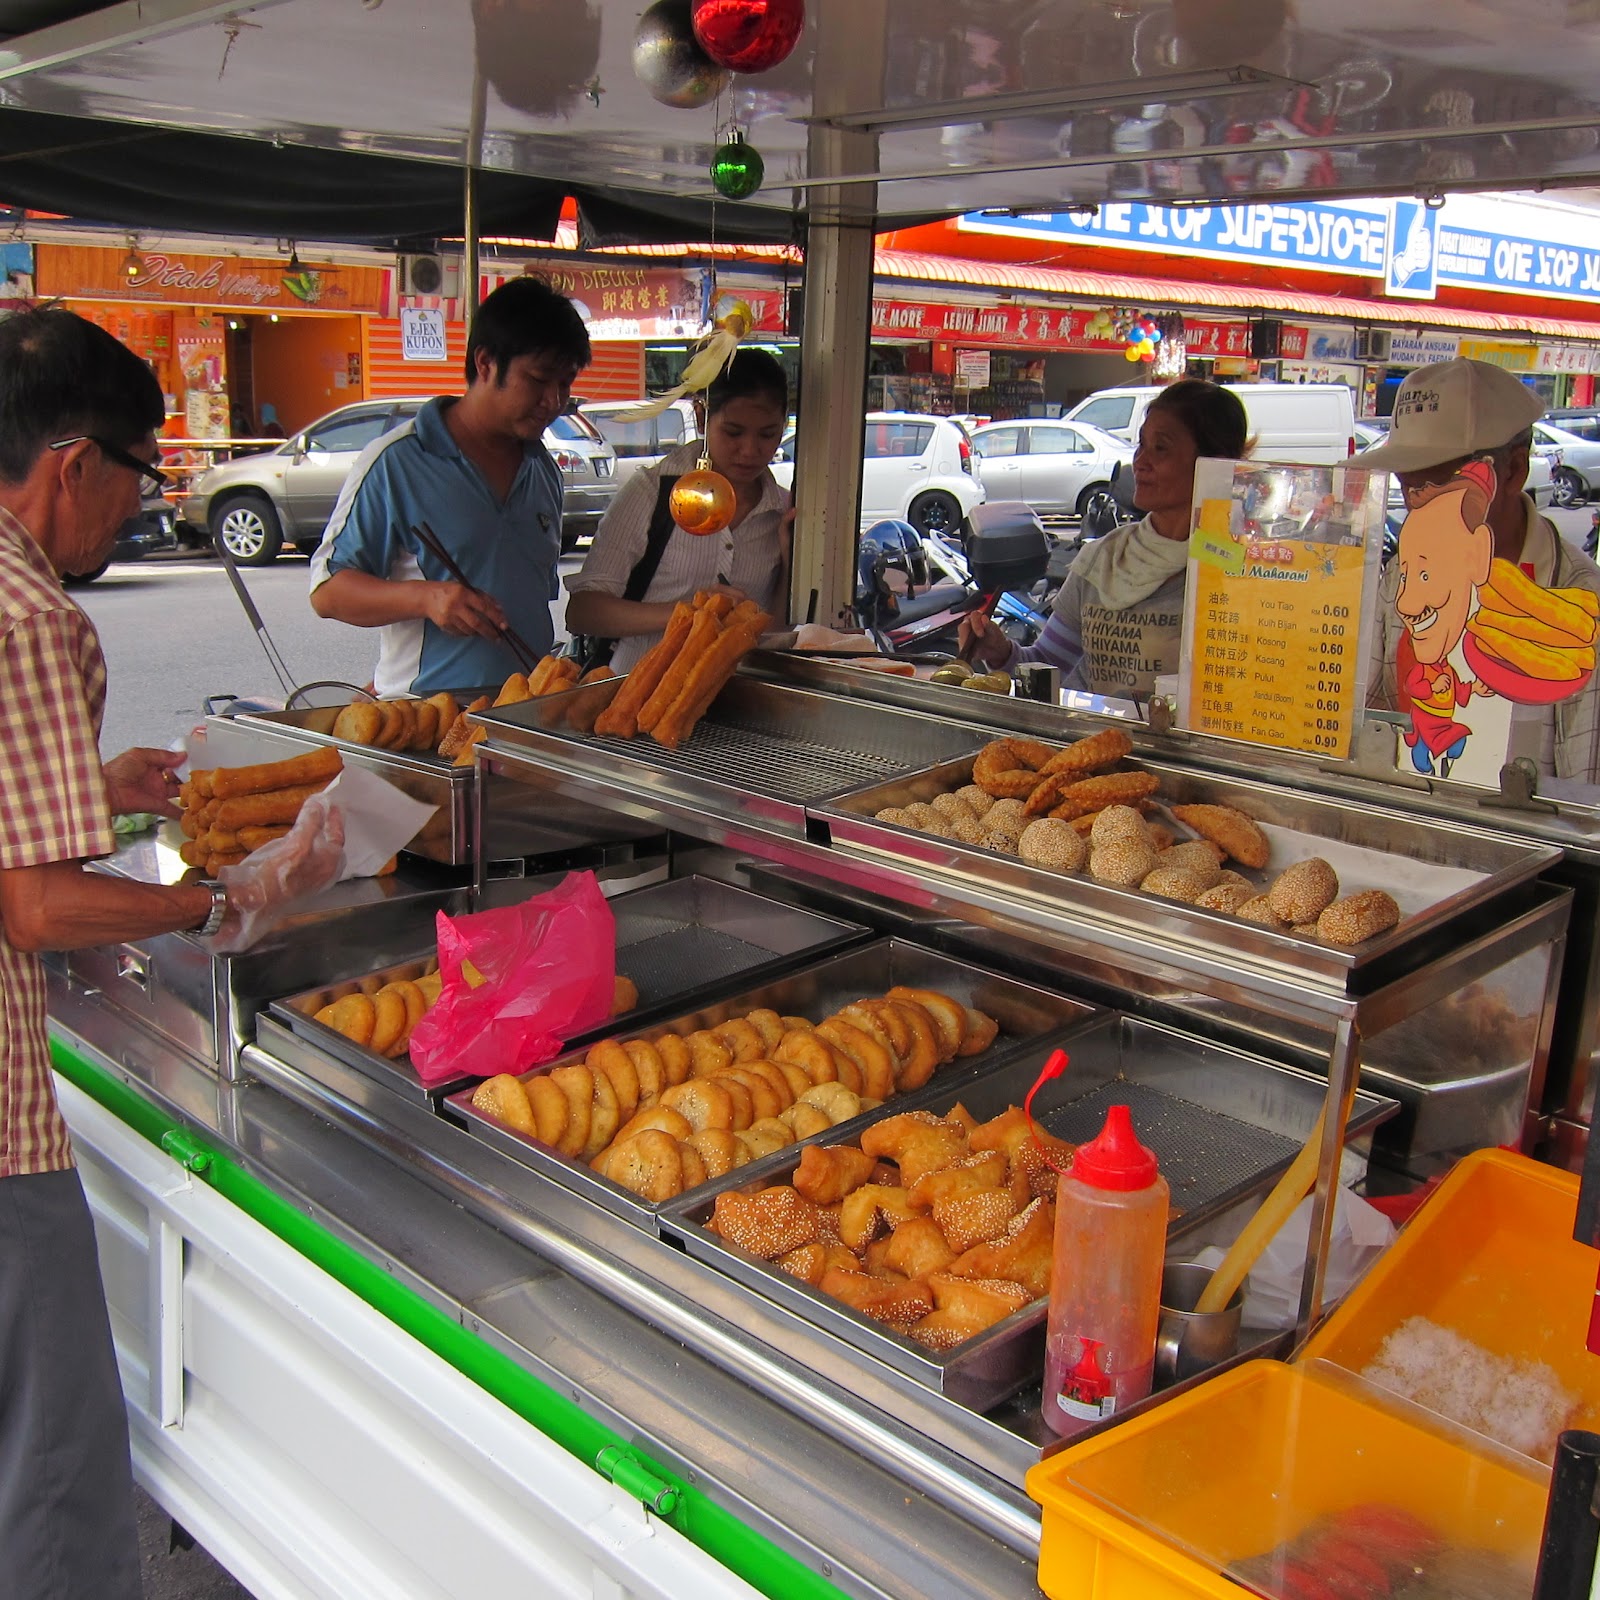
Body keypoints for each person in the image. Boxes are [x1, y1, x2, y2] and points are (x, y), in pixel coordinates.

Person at [0, 306, 341, 1599]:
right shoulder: (36, 617)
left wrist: (97, 789)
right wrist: (218, 899)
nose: (140, 506)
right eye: (141, 474)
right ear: (75, 462)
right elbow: (37, 907)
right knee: (53, 1461)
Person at [309, 276, 592, 694]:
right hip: (429, 711)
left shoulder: (543, 469)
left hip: (525, 708)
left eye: (565, 384)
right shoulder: (398, 462)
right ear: (486, 363)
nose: (554, 401)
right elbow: (328, 592)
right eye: (538, 379)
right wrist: (427, 598)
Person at [1359, 358, 1600, 784]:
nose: (1418, 511)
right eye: (1408, 489)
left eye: (1439, 491)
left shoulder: (1578, 607)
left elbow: (1582, 795)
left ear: (1513, 471)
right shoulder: (1403, 571)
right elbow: (1371, 716)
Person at [960, 378, 1249, 699]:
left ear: (1213, 463)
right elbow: (1047, 664)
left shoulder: (1239, 573)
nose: (1140, 462)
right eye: (1141, 444)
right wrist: (1001, 652)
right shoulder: (1102, 560)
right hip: (1098, 732)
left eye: (1161, 448)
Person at [564, 348, 792, 671]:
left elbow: (776, 631)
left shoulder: (781, 512)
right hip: (634, 687)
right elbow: (583, 611)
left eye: (767, 434)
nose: (749, 450)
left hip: (736, 693)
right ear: (701, 416)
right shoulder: (653, 491)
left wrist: (788, 561)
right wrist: (688, 611)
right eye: (733, 432)